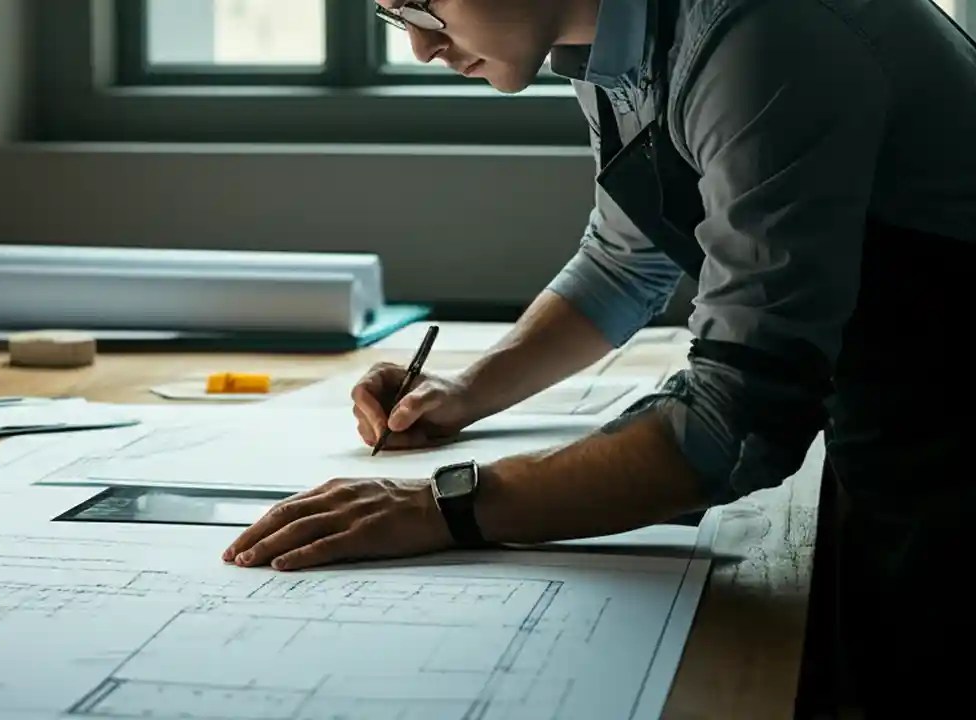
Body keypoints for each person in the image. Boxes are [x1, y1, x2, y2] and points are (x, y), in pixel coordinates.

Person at [223, 0, 976, 715]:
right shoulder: (613, 38)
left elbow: (736, 425)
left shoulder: (765, 36)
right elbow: (626, 260)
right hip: (888, 423)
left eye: (425, 4)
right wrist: (464, 390)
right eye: (392, 14)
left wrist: (441, 505)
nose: (420, 45)